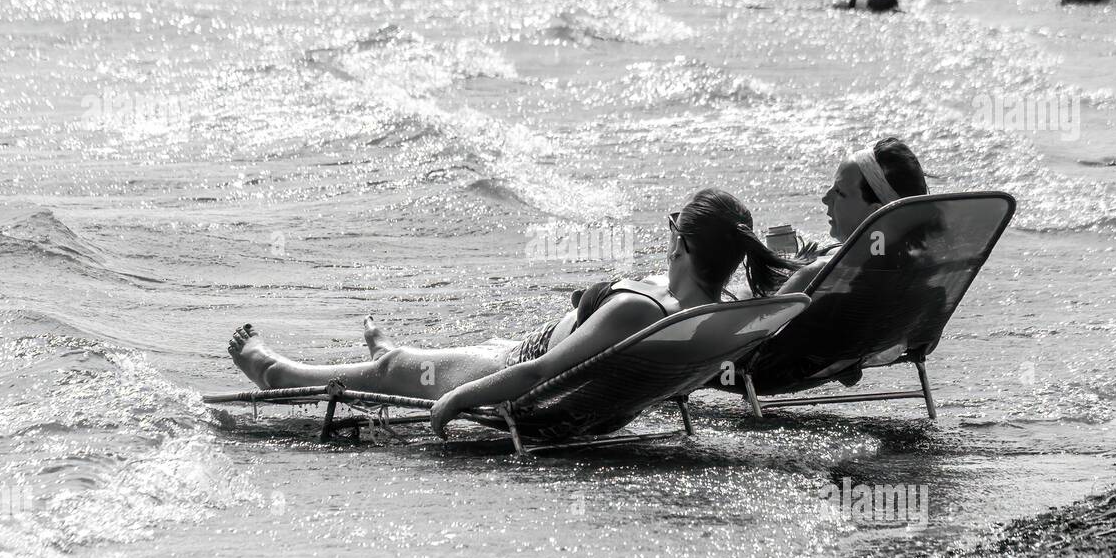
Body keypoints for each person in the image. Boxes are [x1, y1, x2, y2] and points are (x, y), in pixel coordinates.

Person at [226, 188, 794, 436]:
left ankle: (279, 374)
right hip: (563, 370)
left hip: (518, 371)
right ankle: (389, 353)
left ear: (680, 245)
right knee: (403, 359)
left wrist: (456, 399)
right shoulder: (720, 314)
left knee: (393, 372)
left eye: (672, 229)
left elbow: (538, 375)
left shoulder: (638, 311)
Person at [777, 137, 928, 294]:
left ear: (876, 214)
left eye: (840, 192)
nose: (825, 199)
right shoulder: (927, 269)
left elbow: (758, 317)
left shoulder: (815, 278)